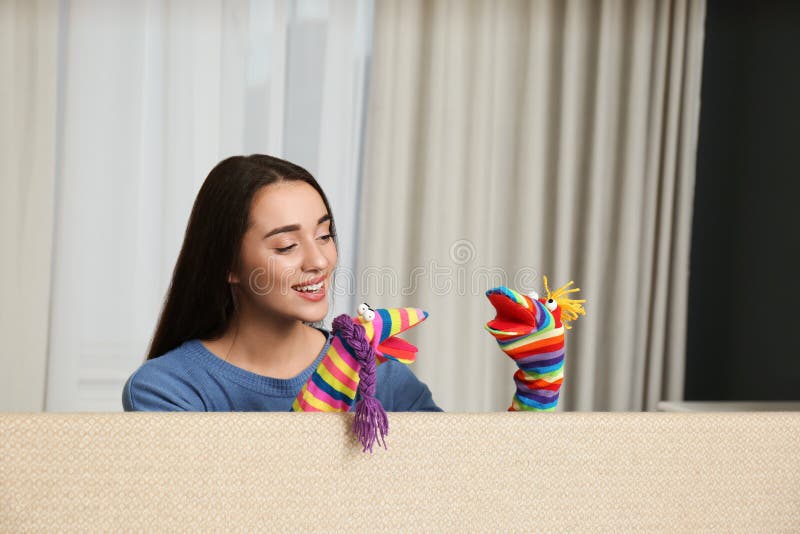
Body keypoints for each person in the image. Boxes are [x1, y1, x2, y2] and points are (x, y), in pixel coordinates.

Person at [122, 154, 440, 412]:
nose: (318, 261)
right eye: (287, 245)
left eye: (324, 235)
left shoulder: (376, 375)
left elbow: (458, 477)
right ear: (228, 264)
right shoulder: (168, 389)